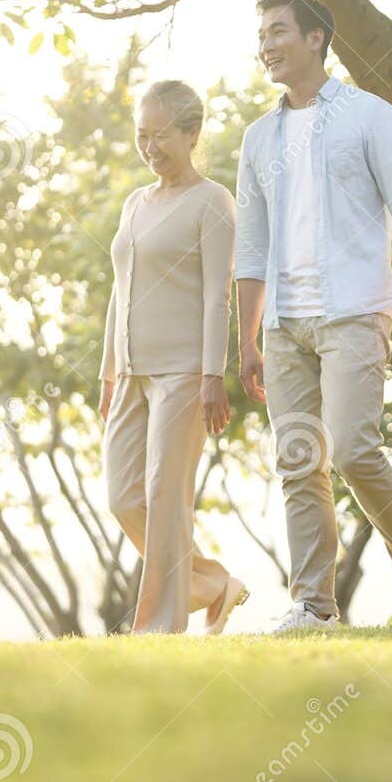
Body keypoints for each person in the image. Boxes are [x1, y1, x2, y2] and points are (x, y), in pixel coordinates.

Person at [234, 0, 392, 632]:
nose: (267, 46)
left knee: (355, 450)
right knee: (299, 462)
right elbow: (251, 245)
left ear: (315, 39)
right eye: (262, 35)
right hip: (283, 324)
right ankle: (316, 605)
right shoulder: (257, 138)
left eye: (278, 31)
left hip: (354, 308)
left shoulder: (369, 115)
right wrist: (246, 338)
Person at [100, 80, 249, 635]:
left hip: (185, 371)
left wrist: (215, 373)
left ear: (191, 133)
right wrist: (108, 372)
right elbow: (120, 289)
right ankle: (212, 584)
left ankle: (158, 627)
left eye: (161, 135)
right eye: (143, 136)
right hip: (131, 371)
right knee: (122, 496)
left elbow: (219, 295)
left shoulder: (213, 202)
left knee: (166, 495)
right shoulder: (135, 202)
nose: (151, 147)